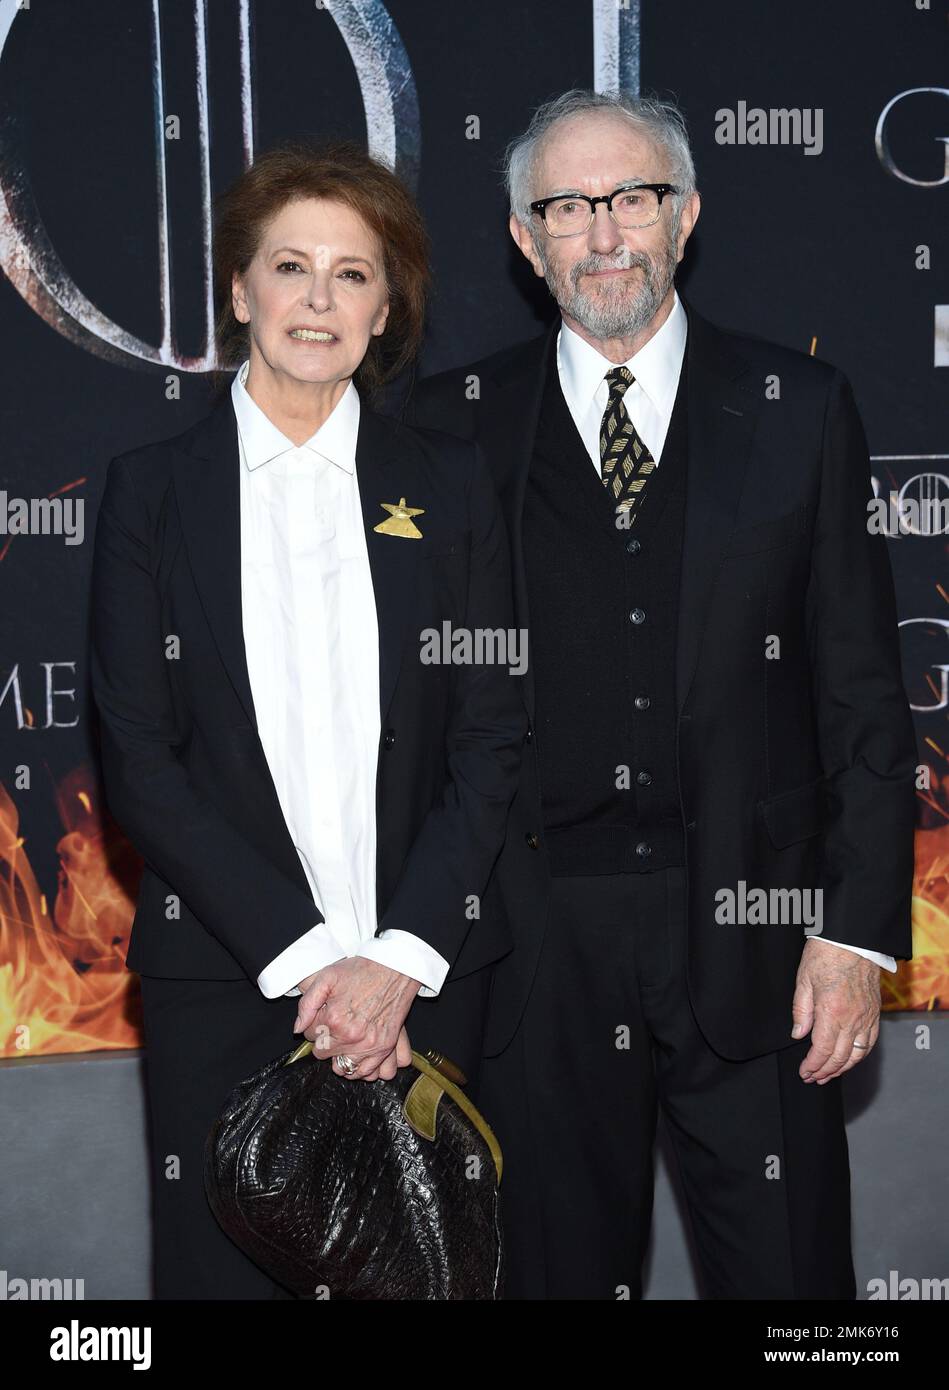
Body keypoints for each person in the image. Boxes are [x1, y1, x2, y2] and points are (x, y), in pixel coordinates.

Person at [403, 90, 917, 1300]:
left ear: (685, 215)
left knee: (797, 1295)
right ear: (525, 241)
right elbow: (415, 716)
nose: (604, 235)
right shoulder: (446, 428)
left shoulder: (801, 412)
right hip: (531, 949)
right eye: (566, 208)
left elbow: (860, 697)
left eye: (631, 198)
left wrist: (851, 936)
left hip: (758, 936)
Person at [90, 138, 525, 1299]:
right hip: (226, 979)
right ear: (240, 291)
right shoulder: (149, 491)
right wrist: (307, 961)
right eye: (291, 267)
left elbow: (492, 734)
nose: (318, 300)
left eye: (352, 273)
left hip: (428, 980)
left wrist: (395, 960)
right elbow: (139, 756)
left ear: (387, 309)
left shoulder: (451, 483)